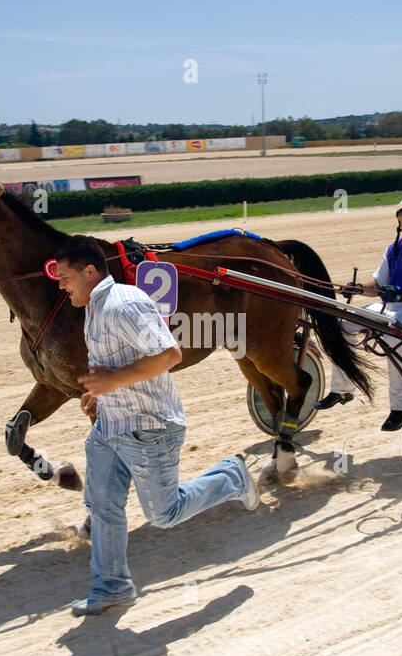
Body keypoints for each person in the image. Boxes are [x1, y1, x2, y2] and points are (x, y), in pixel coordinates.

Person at [54, 236, 260, 617]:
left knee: (164, 514)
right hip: (110, 428)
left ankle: (232, 477)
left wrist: (113, 381)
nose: (61, 284)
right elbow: (116, 361)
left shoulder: (125, 304)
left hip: (150, 429)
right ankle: (113, 587)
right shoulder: (94, 308)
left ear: (89, 272)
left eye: (65, 277)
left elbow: (169, 354)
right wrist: (101, 394)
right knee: (103, 506)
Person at [314, 194, 402, 431]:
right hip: (394, 307)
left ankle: (400, 408)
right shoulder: (394, 249)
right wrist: (358, 289)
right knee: (342, 324)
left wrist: (400, 295)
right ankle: (341, 390)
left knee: (392, 337)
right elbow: (378, 285)